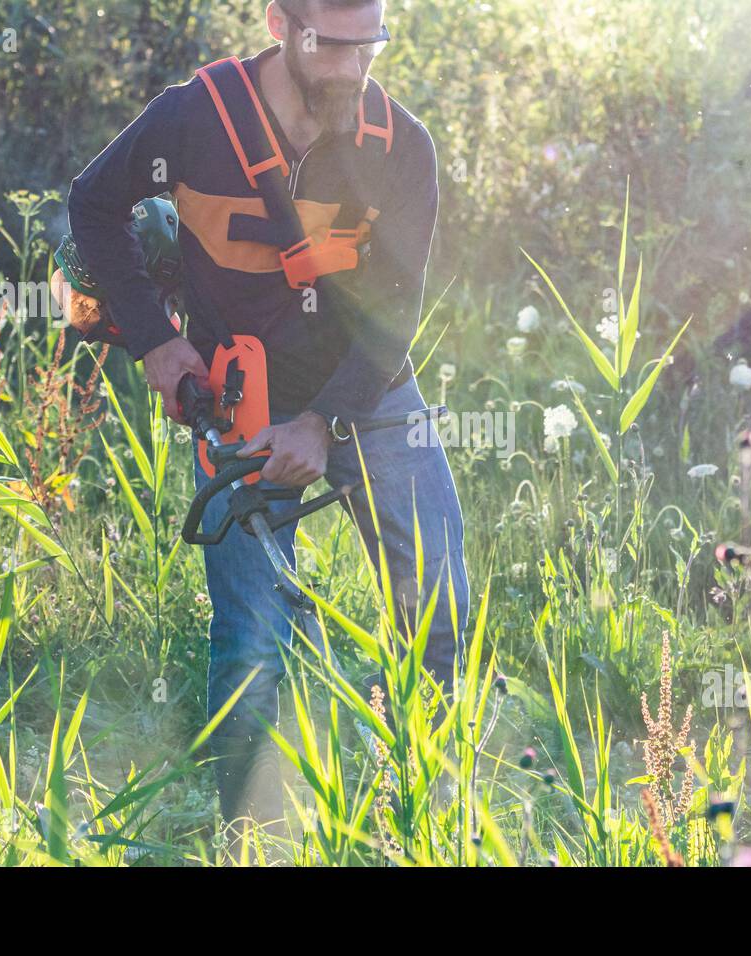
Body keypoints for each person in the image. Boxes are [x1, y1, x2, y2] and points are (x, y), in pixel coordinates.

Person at [66, 0, 468, 854]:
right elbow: (91, 204)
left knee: (439, 607)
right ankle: (251, 836)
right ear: (280, 24)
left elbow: (398, 307)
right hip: (239, 392)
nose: (351, 68)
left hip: (371, 387)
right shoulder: (194, 118)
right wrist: (158, 344)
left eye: (369, 46)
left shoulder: (404, 149)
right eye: (330, 44)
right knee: (254, 638)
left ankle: (409, 803)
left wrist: (325, 423)